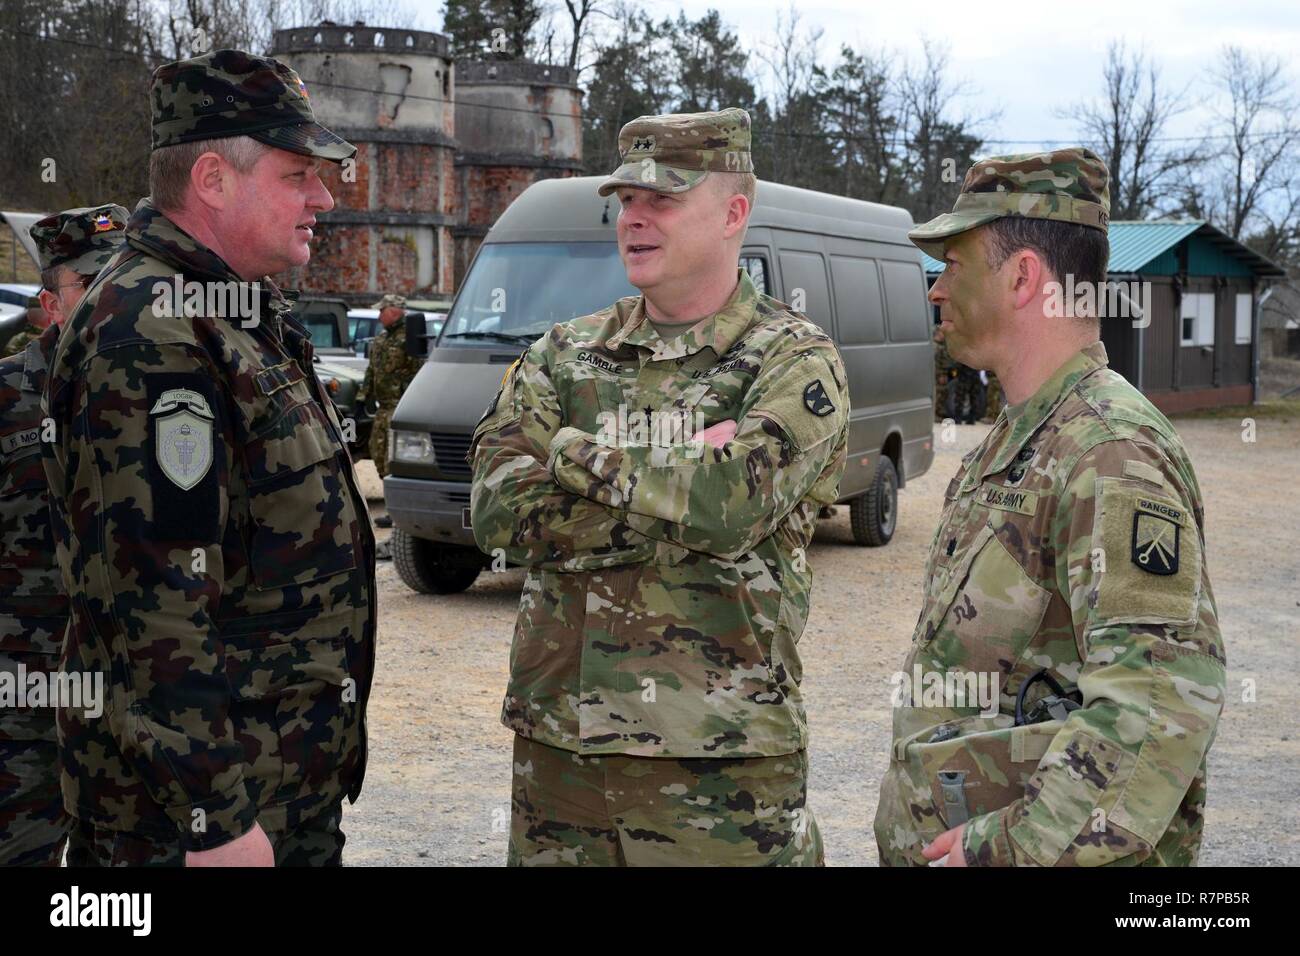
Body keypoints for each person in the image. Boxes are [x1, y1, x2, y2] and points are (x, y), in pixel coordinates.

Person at [470, 108, 850, 866]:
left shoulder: (793, 360)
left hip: (717, 763)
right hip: (559, 756)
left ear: (733, 213)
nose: (634, 219)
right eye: (625, 202)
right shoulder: (567, 351)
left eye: (662, 199)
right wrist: (676, 486)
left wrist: (576, 453)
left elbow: (730, 504)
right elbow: (495, 509)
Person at [42, 49, 375, 867]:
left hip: (280, 791)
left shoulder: (231, 313)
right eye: (300, 174)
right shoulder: (151, 332)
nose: (323, 199)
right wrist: (215, 818)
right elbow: (153, 600)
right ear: (215, 180)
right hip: (189, 825)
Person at [873, 148, 1225, 867]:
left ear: (1024, 276)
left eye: (955, 265)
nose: (937, 290)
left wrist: (1001, 850)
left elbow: (1157, 708)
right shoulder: (1022, 435)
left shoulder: (1109, 450)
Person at [0, 203, 126, 866]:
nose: (113, 300)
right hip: (27, 696)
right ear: (51, 300)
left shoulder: (155, 392)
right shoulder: (8, 396)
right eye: (93, 283)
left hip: (130, 694)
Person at [357, 292, 422, 553]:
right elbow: (371, 370)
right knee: (380, 454)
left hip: (401, 407)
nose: (379, 315)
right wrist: (363, 396)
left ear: (394, 311)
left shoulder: (410, 338)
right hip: (383, 408)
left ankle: (400, 514)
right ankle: (391, 507)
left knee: (397, 458)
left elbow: (419, 370)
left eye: (381, 310)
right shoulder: (382, 338)